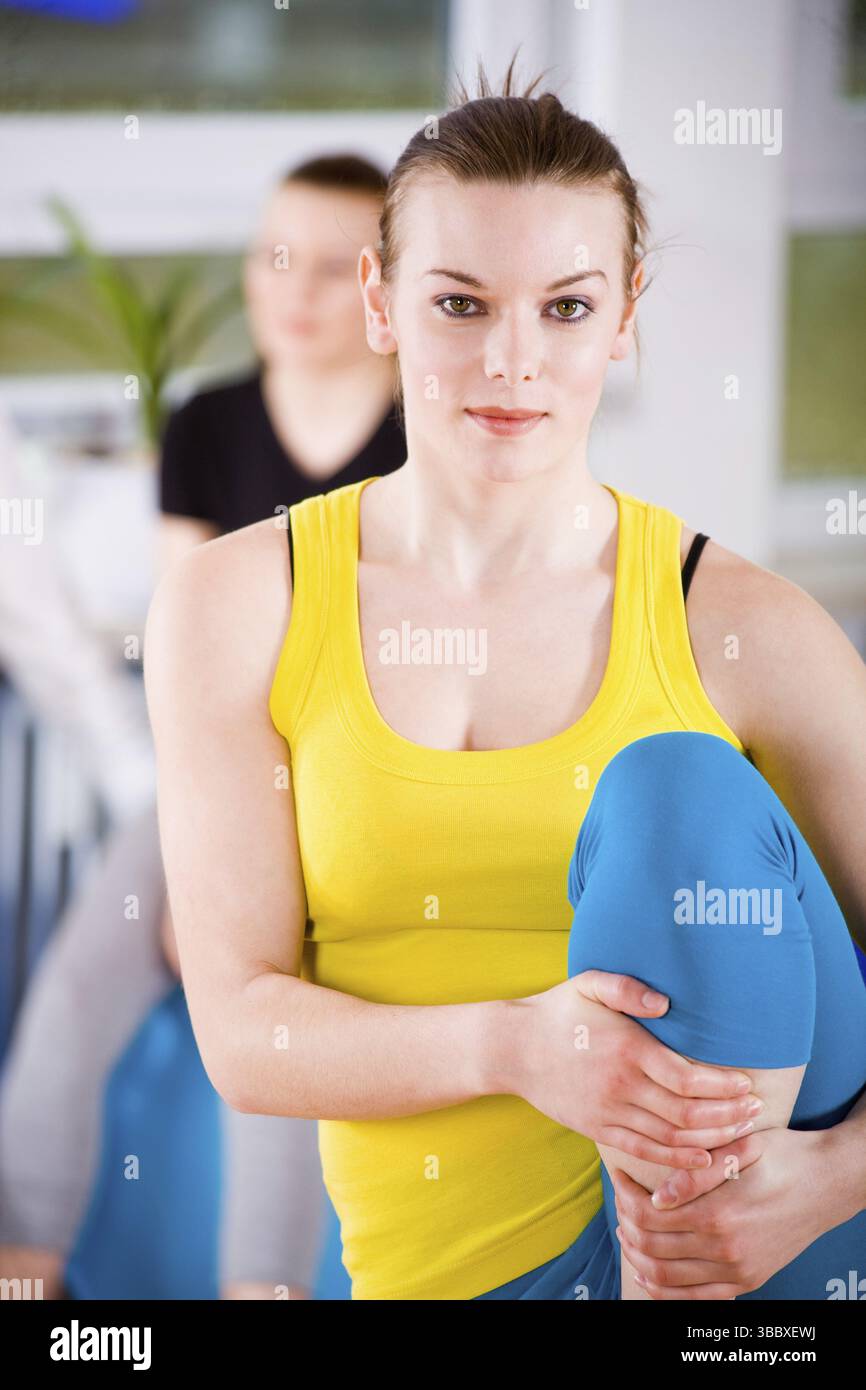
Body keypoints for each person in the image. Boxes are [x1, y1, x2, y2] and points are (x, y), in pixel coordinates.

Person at [144, 62, 866, 1301]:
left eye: (568, 308)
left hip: (748, 1241)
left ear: (626, 310)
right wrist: (520, 1045)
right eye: (461, 303)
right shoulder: (235, 603)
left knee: (672, 791)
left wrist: (822, 1188)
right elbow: (241, 1033)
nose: (512, 362)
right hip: (458, 1273)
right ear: (381, 302)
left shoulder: (747, 626)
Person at [0, 153, 404, 1301]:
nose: (297, 288)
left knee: (268, 1008)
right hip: (219, 777)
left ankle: (257, 1291)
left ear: (386, 294)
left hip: (346, 792)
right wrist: (199, 862)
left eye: (335, 267)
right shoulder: (207, 426)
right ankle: (22, 1274)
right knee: (76, 982)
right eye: (276, 257)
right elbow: (197, 679)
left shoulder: (430, 442)